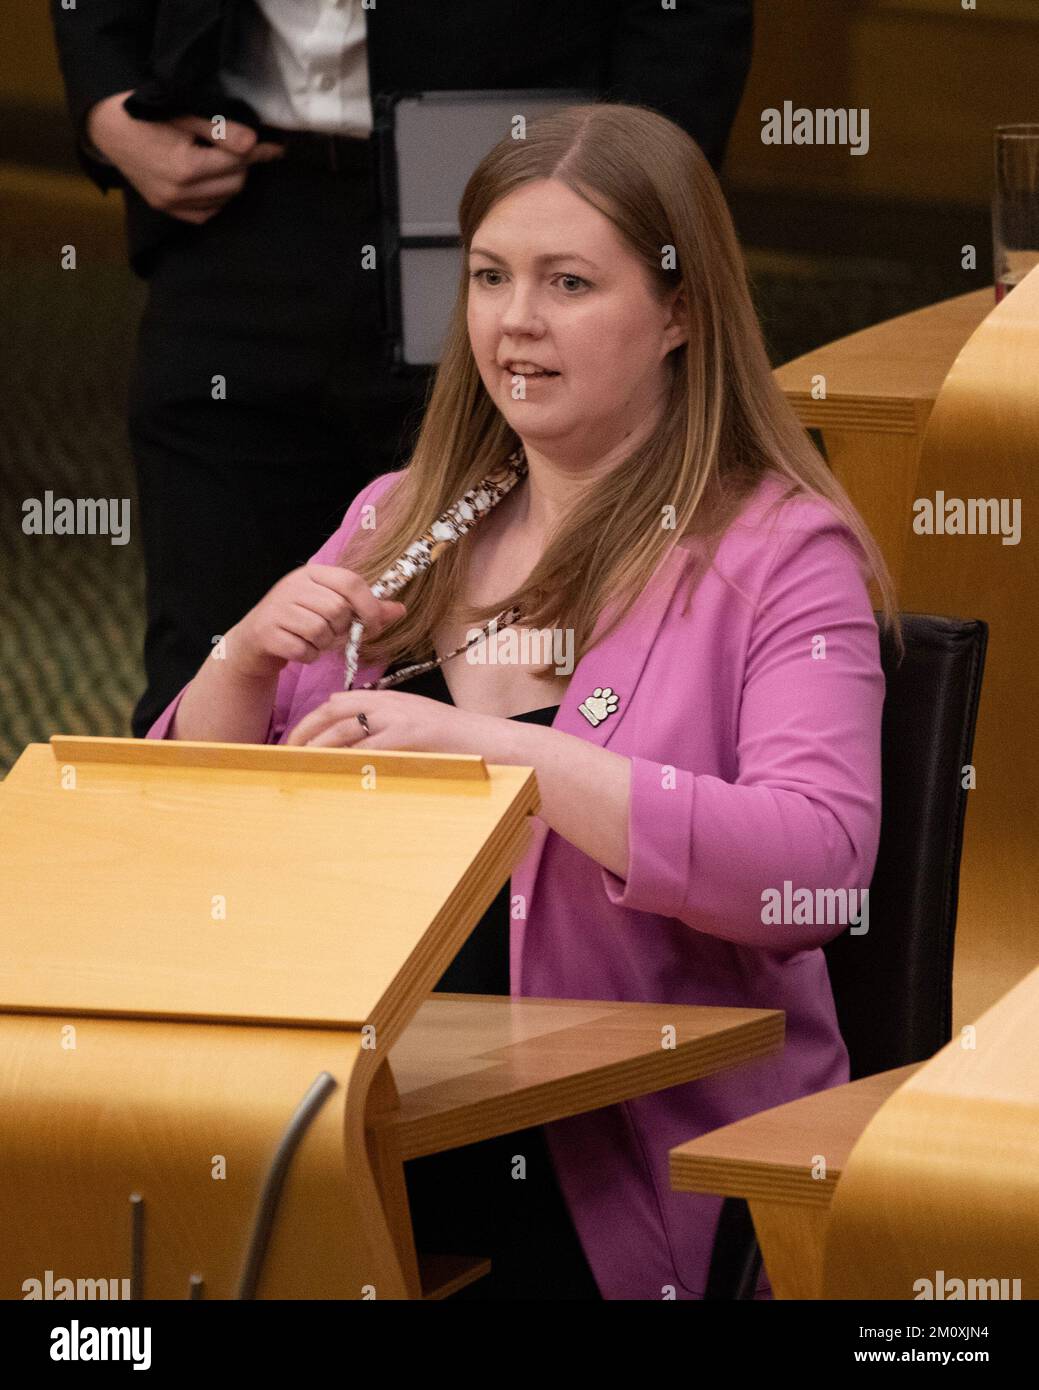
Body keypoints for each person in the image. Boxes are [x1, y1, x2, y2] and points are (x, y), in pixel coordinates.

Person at [145, 102, 898, 1300]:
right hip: (361, 1114)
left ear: (681, 311)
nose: (515, 323)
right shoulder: (400, 515)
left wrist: (501, 756)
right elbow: (190, 855)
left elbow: (813, 864)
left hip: (618, 1155)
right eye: (489, 276)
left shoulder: (779, 552)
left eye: (568, 282)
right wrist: (234, 669)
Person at [49, 0, 755, 740]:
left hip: (504, 169)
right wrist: (105, 96)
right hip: (235, 201)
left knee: (541, 598)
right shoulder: (378, 512)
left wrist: (642, 200)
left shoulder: (780, 545)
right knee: (217, 643)